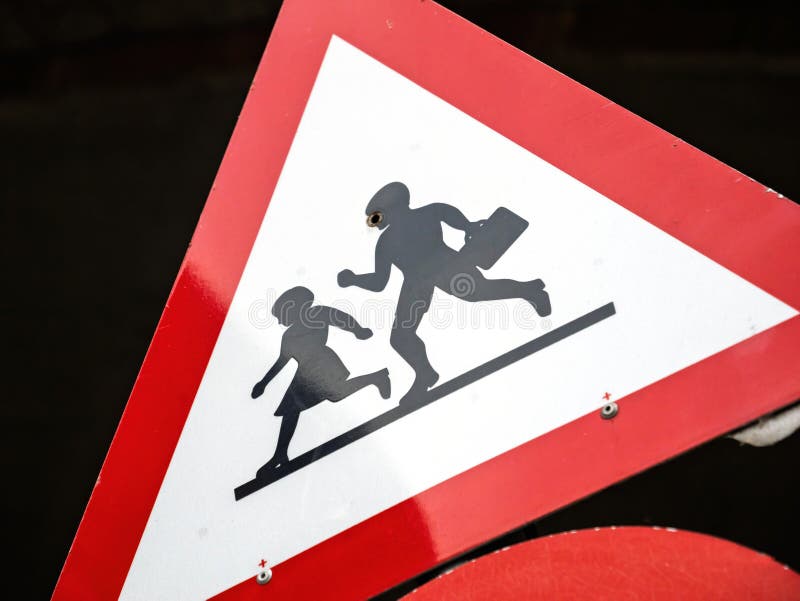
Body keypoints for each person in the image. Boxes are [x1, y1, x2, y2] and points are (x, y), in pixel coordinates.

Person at [338, 182, 550, 404]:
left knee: (479, 291)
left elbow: (446, 212)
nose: (377, 222)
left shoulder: (425, 214)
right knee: (401, 336)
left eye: (378, 216)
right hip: (416, 283)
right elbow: (379, 281)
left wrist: (468, 226)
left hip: (445, 265)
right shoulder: (385, 242)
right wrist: (354, 279)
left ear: (394, 207)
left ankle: (530, 290)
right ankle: (425, 374)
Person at [251, 286, 390, 478]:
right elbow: (281, 361)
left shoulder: (316, 314)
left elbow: (340, 318)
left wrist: (358, 330)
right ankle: (280, 454)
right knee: (291, 410)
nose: (280, 321)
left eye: (281, 315)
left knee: (335, 394)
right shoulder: (288, 336)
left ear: (292, 308)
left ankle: (376, 378)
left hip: (324, 363)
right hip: (305, 374)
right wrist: (263, 383)